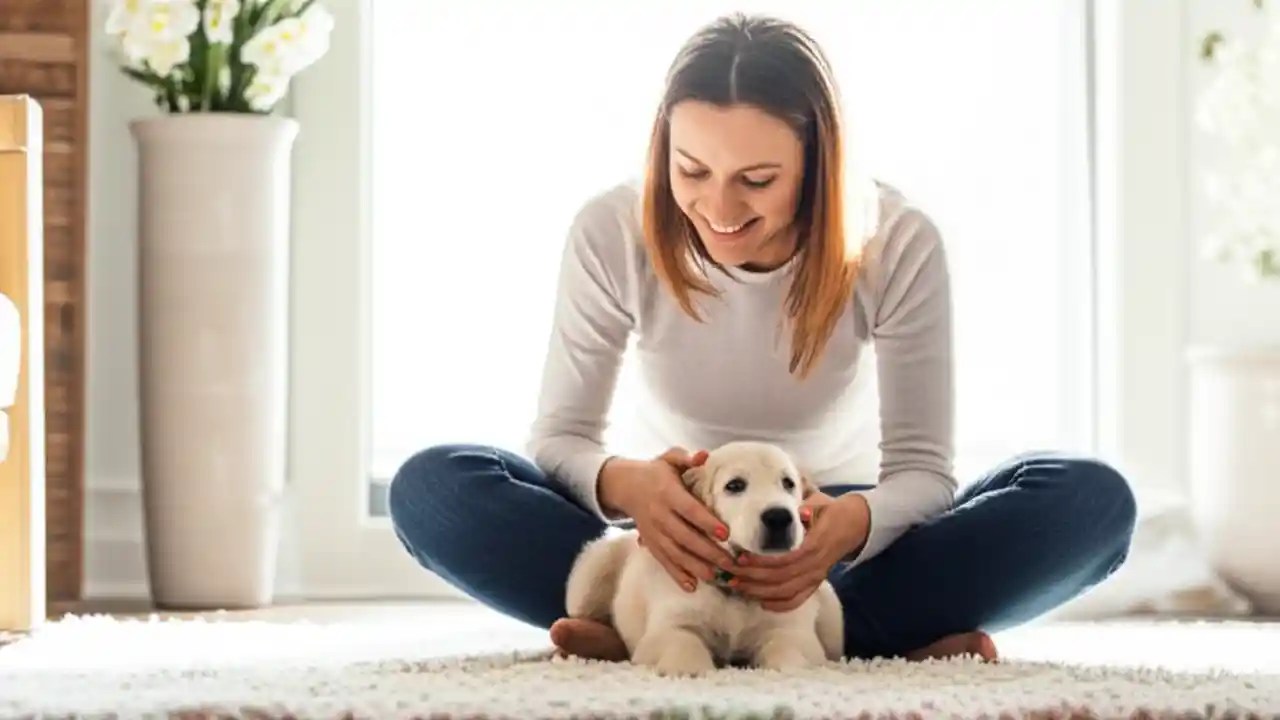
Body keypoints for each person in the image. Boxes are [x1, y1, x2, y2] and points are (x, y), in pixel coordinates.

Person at [388, 12, 1137, 663]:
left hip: (831, 540)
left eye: (757, 179)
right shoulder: (611, 231)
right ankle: (828, 638)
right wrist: (634, 488)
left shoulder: (897, 240)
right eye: (692, 169)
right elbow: (560, 440)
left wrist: (845, 527)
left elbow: (922, 472)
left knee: (1089, 502)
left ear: (817, 169)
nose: (717, 207)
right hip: (669, 540)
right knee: (433, 488)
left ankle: (695, 637)